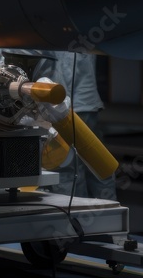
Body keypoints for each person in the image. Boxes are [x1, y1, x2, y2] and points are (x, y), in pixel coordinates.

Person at [34, 51, 117, 200]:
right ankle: (111, 212)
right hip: (87, 101)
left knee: (69, 167)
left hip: (67, 105)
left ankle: (77, 217)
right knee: (97, 162)